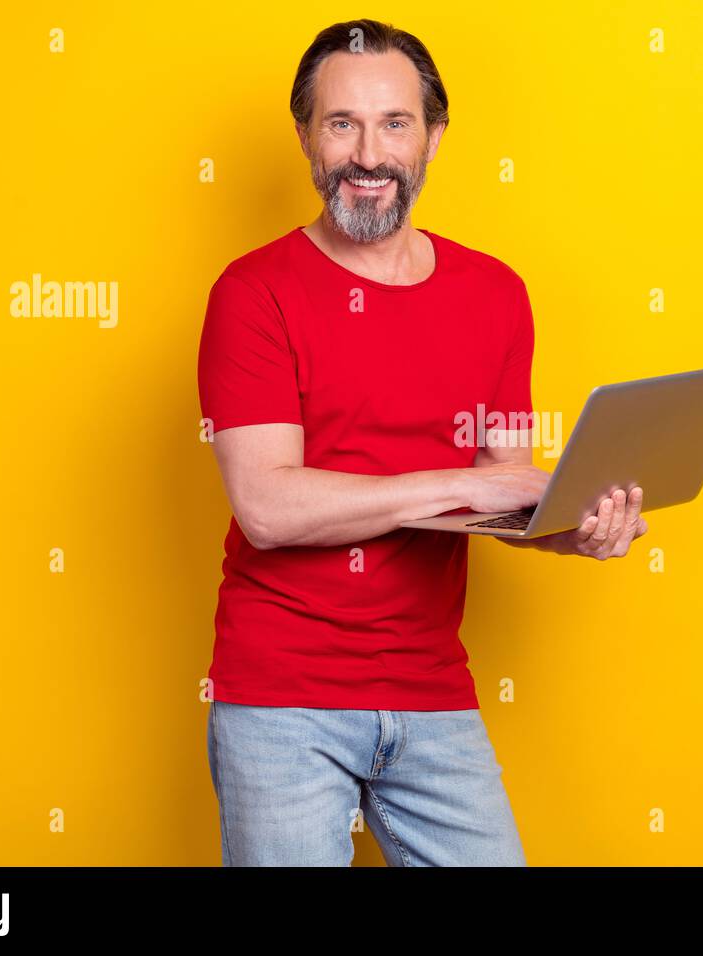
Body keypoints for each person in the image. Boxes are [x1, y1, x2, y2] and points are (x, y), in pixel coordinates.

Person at [197, 18, 648, 867]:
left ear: (434, 136)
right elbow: (267, 506)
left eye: (395, 123)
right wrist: (462, 483)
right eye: (342, 123)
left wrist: (575, 524)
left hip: (434, 690)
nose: (369, 153)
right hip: (282, 698)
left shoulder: (497, 294)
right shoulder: (252, 294)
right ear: (305, 136)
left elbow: (499, 488)